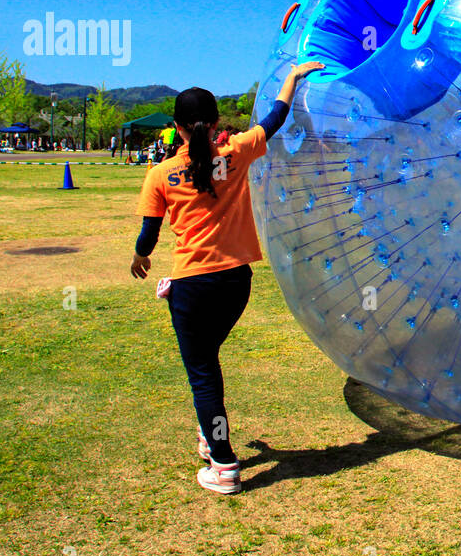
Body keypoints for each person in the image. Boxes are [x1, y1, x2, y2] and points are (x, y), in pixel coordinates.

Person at [129, 61, 325, 495]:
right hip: (236, 282)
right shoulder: (236, 152)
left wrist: (141, 258)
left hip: (193, 285)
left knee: (202, 373)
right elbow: (274, 119)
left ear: (176, 127)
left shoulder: (160, 174)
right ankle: (209, 433)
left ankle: (223, 463)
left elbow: (149, 232)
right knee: (207, 362)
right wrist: (292, 78)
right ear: (216, 122)